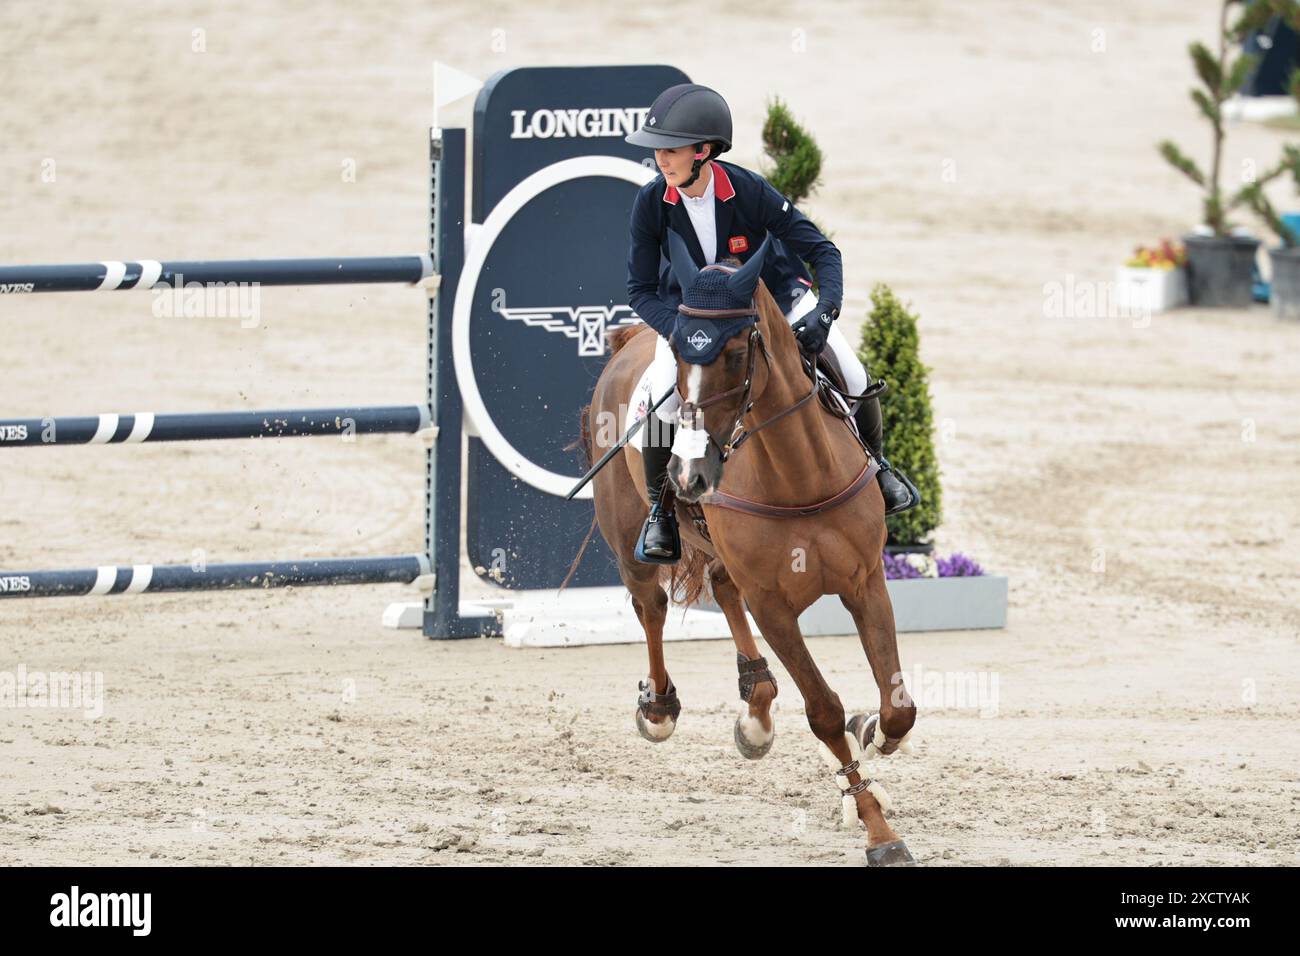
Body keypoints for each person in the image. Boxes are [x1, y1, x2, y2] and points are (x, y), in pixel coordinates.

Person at [624, 83, 918, 563]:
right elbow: (640, 290)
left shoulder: (750, 190)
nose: (661, 159)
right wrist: (677, 332)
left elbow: (823, 251)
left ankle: (880, 466)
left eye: (671, 149)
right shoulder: (651, 204)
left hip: (776, 299)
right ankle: (660, 512)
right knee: (661, 401)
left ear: (704, 151)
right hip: (692, 317)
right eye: (658, 149)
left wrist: (827, 310)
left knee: (852, 370)